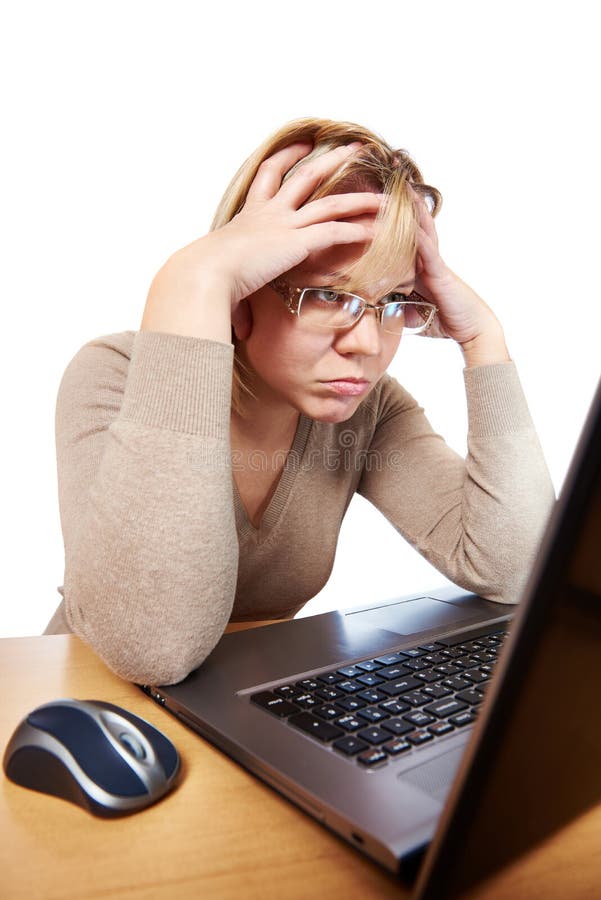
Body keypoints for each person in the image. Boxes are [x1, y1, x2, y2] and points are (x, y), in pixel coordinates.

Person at [45, 117, 555, 685]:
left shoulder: (370, 411)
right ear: (242, 294)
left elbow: (517, 569)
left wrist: (484, 338)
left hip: (240, 705)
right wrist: (193, 277)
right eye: (328, 295)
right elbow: (153, 649)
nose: (366, 345)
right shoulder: (115, 374)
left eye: (393, 301)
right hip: (80, 705)